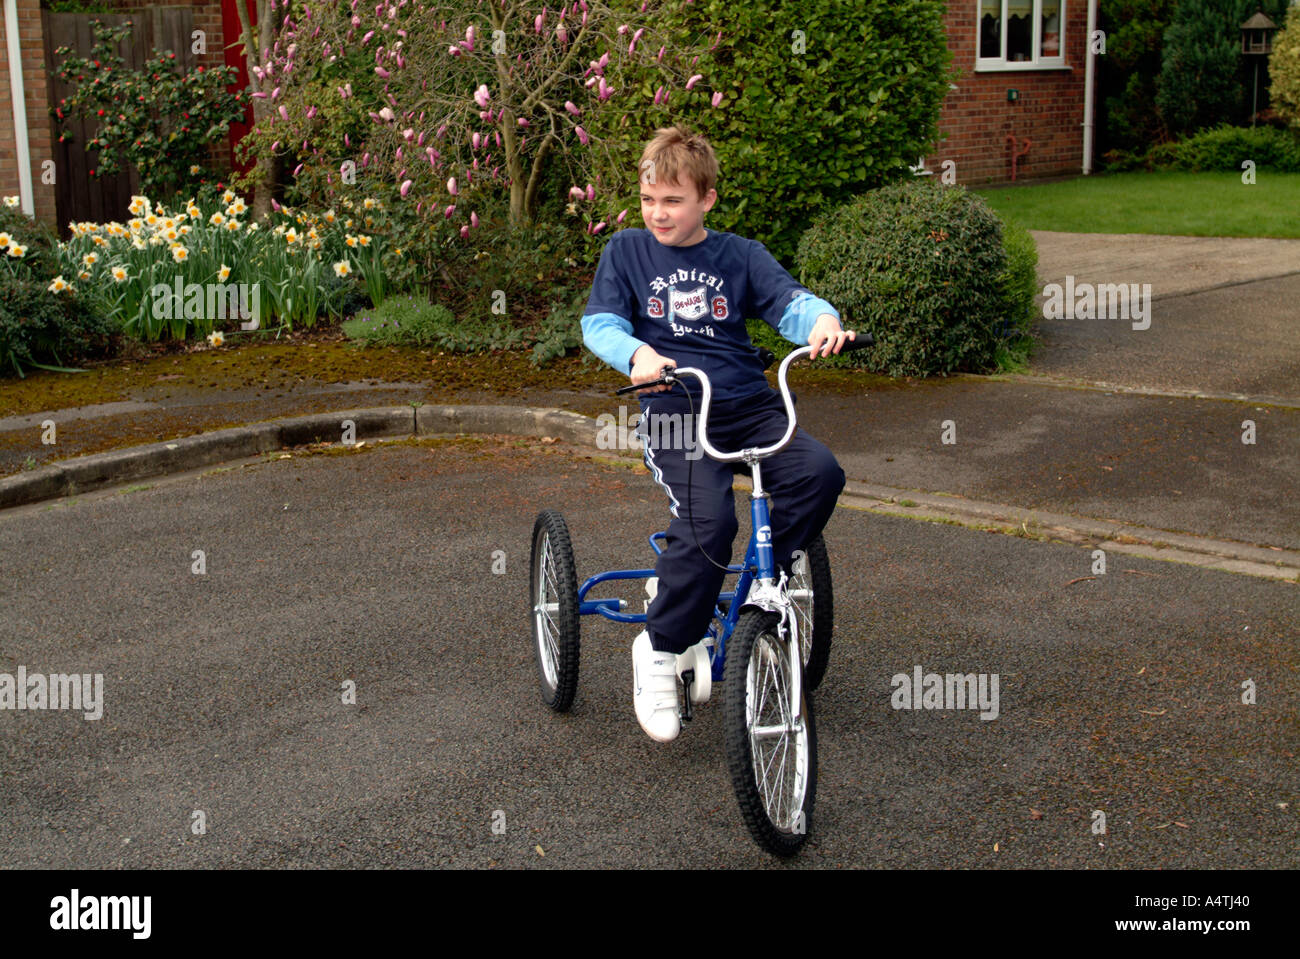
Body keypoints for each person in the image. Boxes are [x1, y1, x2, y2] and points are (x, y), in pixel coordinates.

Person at [581, 125, 855, 743]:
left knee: (819, 472)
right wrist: (635, 356)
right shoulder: (626, 251)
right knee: (710, 524)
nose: (658, 214)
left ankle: (763, 587)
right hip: (676, 408)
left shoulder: (740, 255)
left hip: (748, 405)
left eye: (672, 201)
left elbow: (790, 304)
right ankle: (659, 647)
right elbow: (598, 322)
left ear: (705, 198)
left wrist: (823, 322)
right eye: (650, 200)